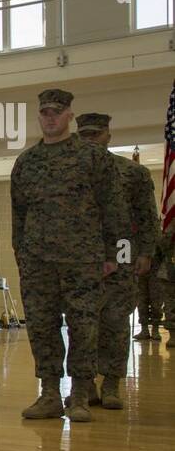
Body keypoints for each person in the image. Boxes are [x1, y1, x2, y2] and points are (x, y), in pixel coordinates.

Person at [11, 89, 126, 422]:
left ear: (69, 116)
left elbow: (114, 209)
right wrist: (20, 252)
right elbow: (19, 214)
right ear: (39, 116)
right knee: (42, 326)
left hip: (83, 259)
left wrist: (112, 256)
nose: (50, 117)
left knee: (83, 326)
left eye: (57, 112)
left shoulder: (93, 157)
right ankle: (49, 393)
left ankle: (79, 395)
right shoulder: (26, 162)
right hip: (37, 261)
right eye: (45, 112)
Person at [77, 112, 158, 410]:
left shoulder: (131, 173)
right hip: (82, 257)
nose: (90, 140)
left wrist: (146, 252)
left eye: (96, 134)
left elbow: (147, 216)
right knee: (82, 324)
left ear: (108, 136)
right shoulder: (70, 173)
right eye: (84, 135)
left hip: (122, 252)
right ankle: (85, 385)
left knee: (115, 320)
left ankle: (111, 383)